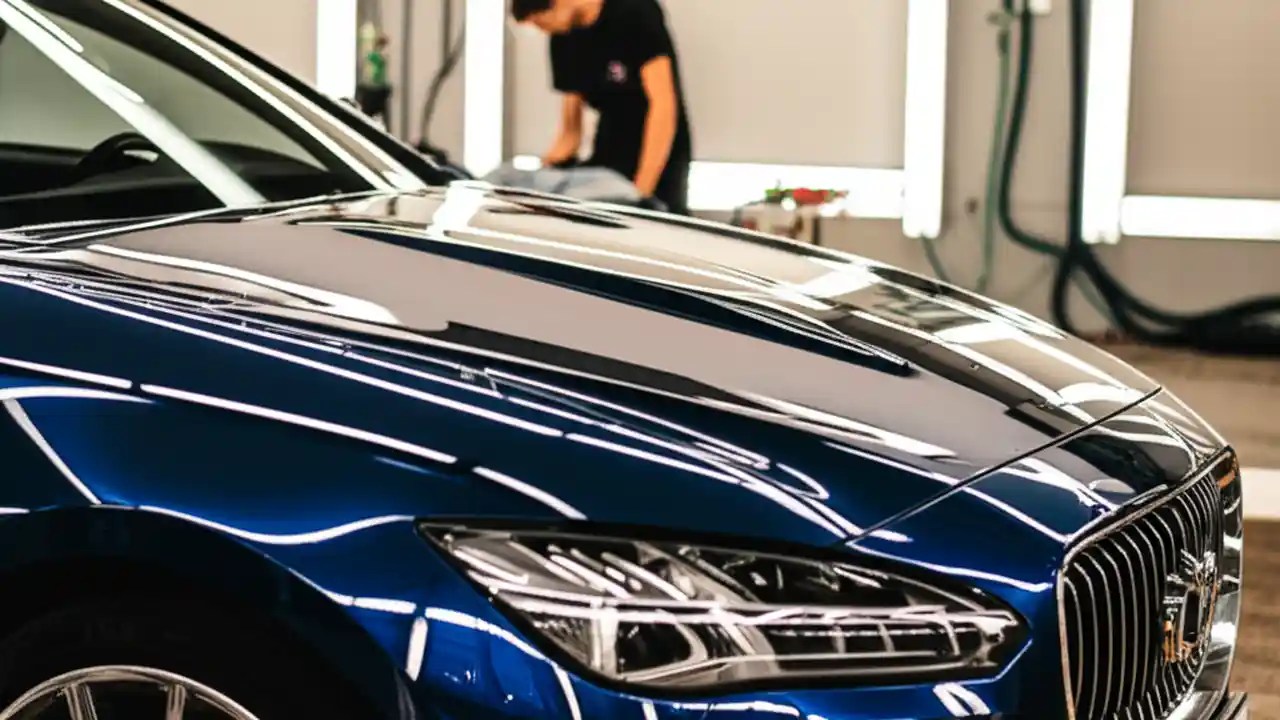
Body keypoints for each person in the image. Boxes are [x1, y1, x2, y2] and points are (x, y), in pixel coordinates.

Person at [513, 0, 692, 214]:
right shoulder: (563, 36)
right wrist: (543, 181)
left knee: (654, 220)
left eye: (541, 23)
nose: (542, 31)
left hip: (658, 145)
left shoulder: (634, 13)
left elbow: (663, 104)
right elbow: (570, 132)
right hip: (610, 144)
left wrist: (641, 194)